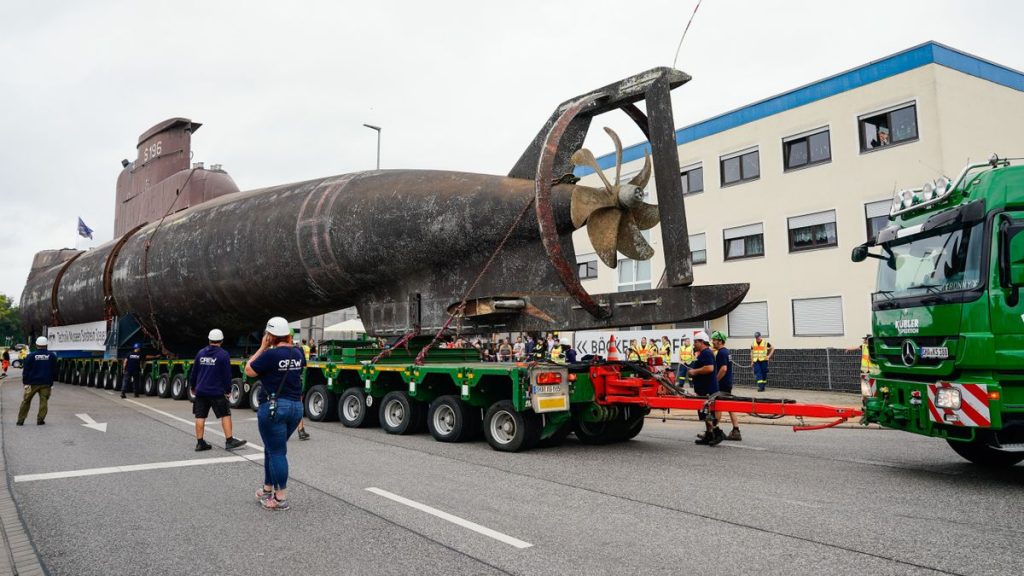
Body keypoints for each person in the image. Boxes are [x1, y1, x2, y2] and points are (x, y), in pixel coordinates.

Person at [245, 316, 306, 511]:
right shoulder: (297, 353)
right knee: (272, 448)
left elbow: (248, 370)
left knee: (277, 451)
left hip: (274, 407)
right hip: (296, 407)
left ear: (269, 336)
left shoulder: (270, 355)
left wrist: (262, 347)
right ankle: (267, 489)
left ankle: (280, 498)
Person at [189, 329, 248, 452]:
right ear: (221, 341)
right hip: (216, 391)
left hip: (201, 391)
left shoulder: (200, 353)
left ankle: (200, 443)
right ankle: (229, 441)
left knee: (200, 416)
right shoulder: (223, 354)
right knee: (225, 415)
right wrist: (228, 390)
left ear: (209, 340)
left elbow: (194, 372)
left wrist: (193, 387)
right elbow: (226, 375)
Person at [687, 332, 724, 446]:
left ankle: (718, 433)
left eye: (695, 342)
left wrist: (694, 371)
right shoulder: (703, 353)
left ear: (701, 342)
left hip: (707, 390)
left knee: (708, 413)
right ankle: (709, 435)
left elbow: (709, 368)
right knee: (704, 413)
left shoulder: (706, 353)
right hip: (703, 389)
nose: (694, 344)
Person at [17, 337, 58, 426]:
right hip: (46, 383)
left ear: (36, 345)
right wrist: (51, 382)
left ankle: (20, 420)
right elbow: (54, 370)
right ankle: (40, 420)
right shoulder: (52, 356)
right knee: (44, 401)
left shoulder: (31, 356)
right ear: (46, 345)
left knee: (26, 401)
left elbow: (26, 370)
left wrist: (25, 382)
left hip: (31, 383)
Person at [711, 331, 741, 441]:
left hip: (722, 384)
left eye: (714, 340)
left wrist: (715, 381)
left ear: (719, 341)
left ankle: (714, 430)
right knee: (729, 406)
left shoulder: (721, 353)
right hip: (727, 383)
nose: (713, 342)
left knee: (718, 406)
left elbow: (723, 369)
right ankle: (736, 430)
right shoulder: (726, 352)